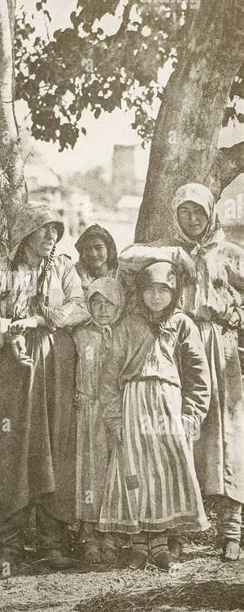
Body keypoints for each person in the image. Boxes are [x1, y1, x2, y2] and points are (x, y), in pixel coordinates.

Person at [120, 183, 243, 561]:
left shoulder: (229, 253)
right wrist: (174, 253)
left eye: (200, 212)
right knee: (177, 432)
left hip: (219, 347)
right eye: (185, 212)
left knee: (223, 432)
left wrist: (234, 316)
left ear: (211, 214)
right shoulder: (166, 254)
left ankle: (232, 527)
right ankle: (177, 525)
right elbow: (124, 259)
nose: (193, 220)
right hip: (175, 344)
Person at [0, 204, 87, 575]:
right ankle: (7, 545)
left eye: (55, 230)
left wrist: (41, 319)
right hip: (11, 365)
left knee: (54, 442)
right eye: (43, 231)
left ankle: (52, 542)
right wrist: (9, 329)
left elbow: (81, 307)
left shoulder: (63, 268)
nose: (50, 238)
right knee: (11, 446)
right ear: (24, 234)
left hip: (55, 361)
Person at [98, 262, 211, 570]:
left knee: (165, 471)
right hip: (133, 404)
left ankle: (160, 544)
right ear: (140, 292)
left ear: (173, 293)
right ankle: (138, 545)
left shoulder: (182, 323)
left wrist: (192, 414)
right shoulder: (127, 325)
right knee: (134, 470)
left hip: (168, 406)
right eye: (149, 290)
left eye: (164, 290)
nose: (156, 297)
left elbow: (199, 374)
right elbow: (109, 377)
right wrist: (115, 420)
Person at [73, 277, 124, 565]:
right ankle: (89, 535)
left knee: (115, 473)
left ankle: (114, 536)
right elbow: (70, 370)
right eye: (97, 303)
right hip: (89, 412)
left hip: (116, 413)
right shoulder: (80, 335)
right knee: (90, 473)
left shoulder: (125, 333)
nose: (103, 309)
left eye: (109, 303)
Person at [75, 224, 118, 295]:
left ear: (108, 249)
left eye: (99, 248)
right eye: (87, 249)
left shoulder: (120, 274)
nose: (93, 254)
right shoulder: (78, 274)